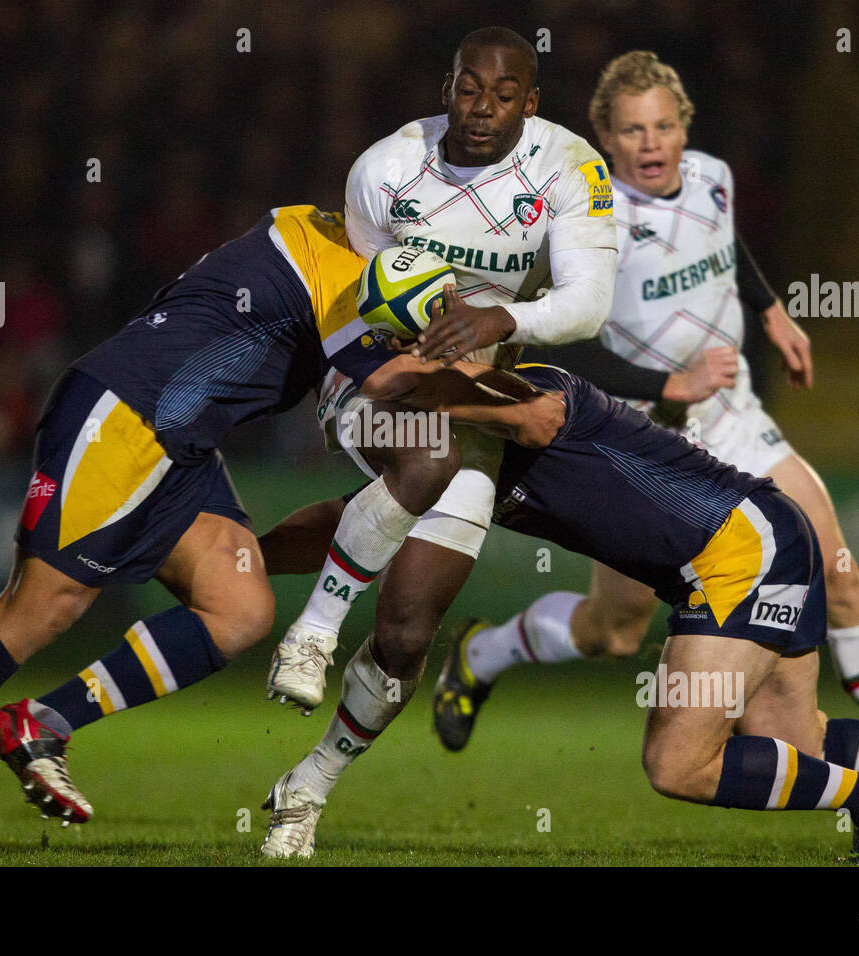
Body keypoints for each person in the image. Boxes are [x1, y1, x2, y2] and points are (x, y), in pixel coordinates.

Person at [0, 205, 555, 858]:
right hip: (125, 415)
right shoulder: (337, 268)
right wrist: (512, 408)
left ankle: (43, 722)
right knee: (40, 607)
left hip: (181, 444)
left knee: (238, 610)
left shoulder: (320, 242)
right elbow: (389, 382)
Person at [265, 361, 859, 863]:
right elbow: (355, 520)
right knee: (793, 743)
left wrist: (427, 386)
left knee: (678, 764)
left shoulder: (514, 391)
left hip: (735, 553)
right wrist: (250, 555)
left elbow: (540, 415)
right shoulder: (445, 465)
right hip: (763, 537)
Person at [433, 50, 859, 756]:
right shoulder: (589, 223)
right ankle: (485, 654)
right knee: (616, 630)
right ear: (605, 138)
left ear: (683, 131)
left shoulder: (715, 179)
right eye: (632, 130)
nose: (650, 142)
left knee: (840, 579)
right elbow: (560, 344)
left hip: (739, 427)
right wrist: (668, 386)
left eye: (662, 126)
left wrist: (773, 311)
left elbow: (725, 241)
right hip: (646, 448)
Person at [257, 26, 619, 852]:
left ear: (531, 102)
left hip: (476, 396)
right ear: (447, 85)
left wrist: (502, 318)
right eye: (467, 89)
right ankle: (310, 632)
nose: (482, 110)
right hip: (376, 378)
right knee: (423, 454)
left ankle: (306, 787)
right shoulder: (386, 169)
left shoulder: (569, 169)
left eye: (503, 95)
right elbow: (357, 304)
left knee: (408, 633)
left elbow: (588, 304)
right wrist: (403, 359)